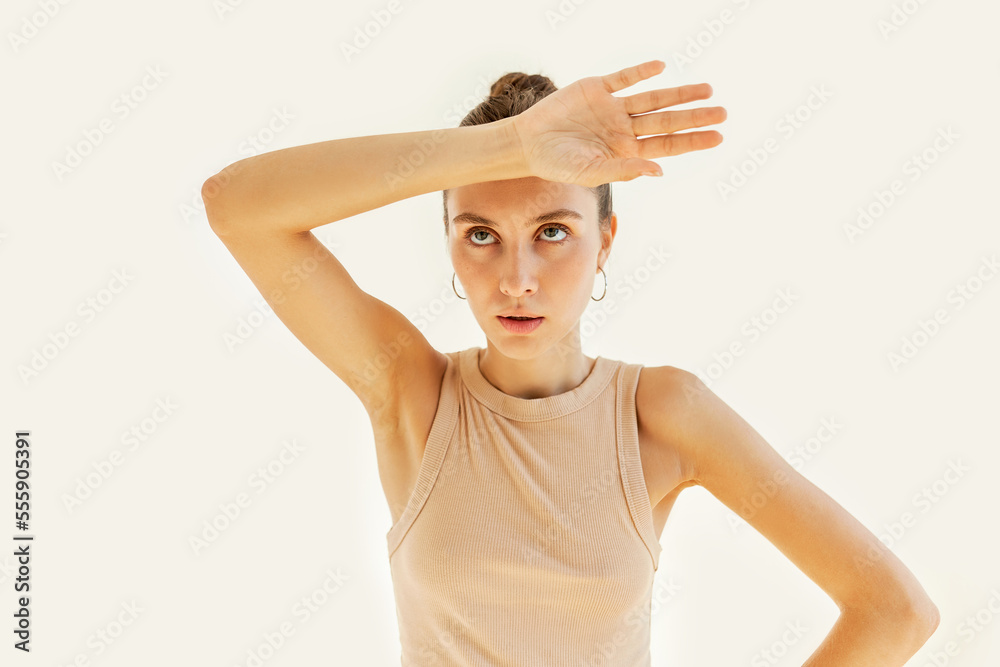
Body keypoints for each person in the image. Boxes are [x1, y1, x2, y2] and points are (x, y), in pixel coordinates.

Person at [202, 59, 939, 666]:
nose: (517, 279)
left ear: (606, 240)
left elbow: (893, 611)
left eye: (552, 231)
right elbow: (235, 207)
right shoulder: (411, 392)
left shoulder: (661, 413)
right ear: (449, 242)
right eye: (481, 235)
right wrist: (512, 146)